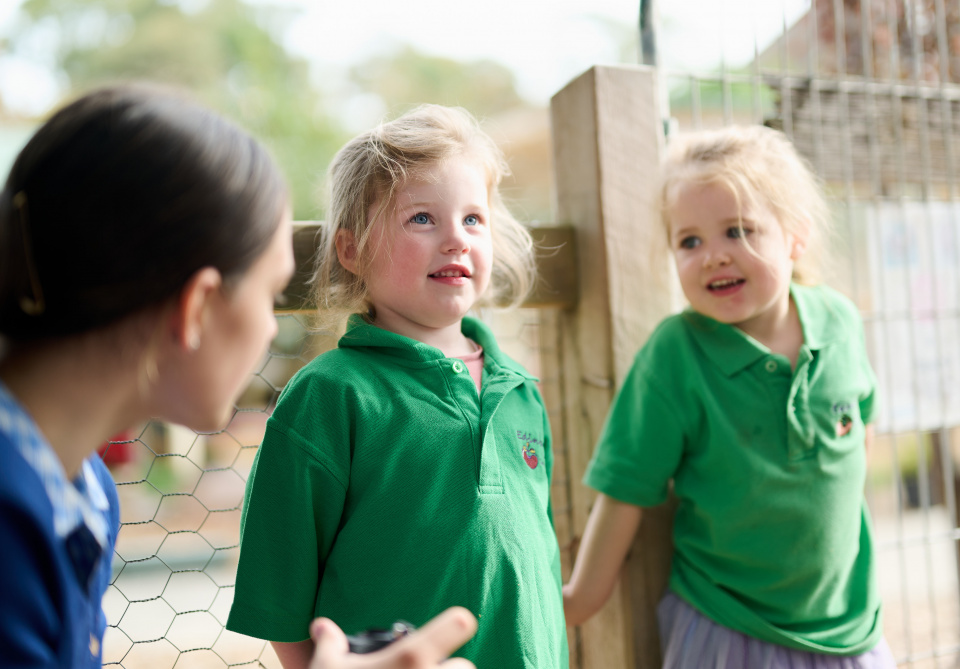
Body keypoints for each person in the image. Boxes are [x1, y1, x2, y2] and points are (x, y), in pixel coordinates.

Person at [0, 83, 476, 669]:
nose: (271, 330)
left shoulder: (83, 490)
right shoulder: (12, 521)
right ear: (197, 308)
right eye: (271, 295)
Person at [227, 104, 568, 669]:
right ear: (352, 250)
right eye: (422, 219)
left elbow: (537, 564)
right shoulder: (332, 393)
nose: (456, 239)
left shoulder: (520, 392)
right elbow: (281, 589)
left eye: (473, 220)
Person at [562, 124, 896, 668]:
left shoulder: (837, 318)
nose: (713, 255)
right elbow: (625, 488)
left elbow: (860, 425)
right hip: (725, 630)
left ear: (795, 236)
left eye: (738, 231)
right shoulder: (676, 353)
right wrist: (578, 600)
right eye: (689, 241)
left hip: (849, 631)